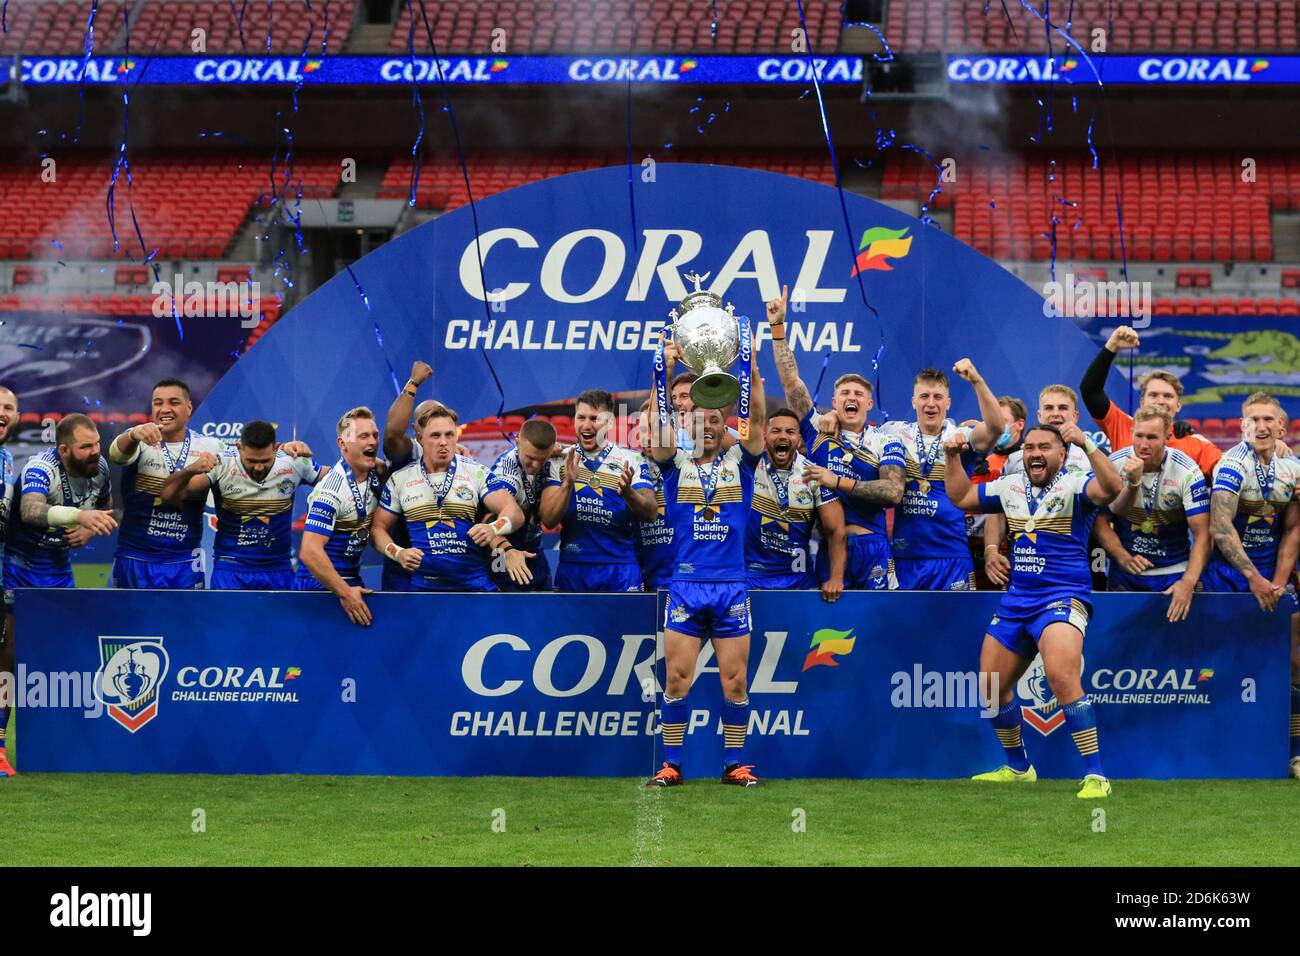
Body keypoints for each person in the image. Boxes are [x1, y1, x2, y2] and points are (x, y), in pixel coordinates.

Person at [944, 421, 1123, 799]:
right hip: (1017, 600)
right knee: (992, 687)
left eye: (1044, 447)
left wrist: (1088, 444)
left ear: (1061, 454)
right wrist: (950, 456)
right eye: (1029, 448)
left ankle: (1096, 775)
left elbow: (1113, 487)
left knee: (1061, 676)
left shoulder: (1077, 483)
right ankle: (1018, 768)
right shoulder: (1010, 486)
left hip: (1063, 596)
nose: (1035, 453)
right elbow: (960, 496)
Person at [646, 333, 767, 787]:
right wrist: (661, 368)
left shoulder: (743, 461)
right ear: (688, 425)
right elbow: (657, 432)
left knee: (734, 683)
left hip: (732, 585)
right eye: (699, 420)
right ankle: (672, 764)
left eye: (716, 419)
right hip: (687, 585)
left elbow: (756, 421)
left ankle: (734, 763)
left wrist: (752, 369)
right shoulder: (674, 463)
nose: (708, 426)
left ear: (724, 425)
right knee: (677, 679)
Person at [764, 285, 905, 590]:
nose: (851, 397)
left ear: (869, 404)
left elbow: (893, 492)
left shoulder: (886, 440)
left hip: (874, 549)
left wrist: (837, 481)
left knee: (880, 631)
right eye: (844, 393)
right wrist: (778, 328)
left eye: (858, 394)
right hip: (829, 549)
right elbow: (791, 383)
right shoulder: (816, 428)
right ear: (835, 401)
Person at [823, 362, 1005, 591]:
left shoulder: (960, 437)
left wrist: (976, 380)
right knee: (903, 626)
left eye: (938, 397)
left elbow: (996, 427)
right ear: (913, 401)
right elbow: (855, 422)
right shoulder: (892, 433)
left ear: (948, 403)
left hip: (951, 557)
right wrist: (832, 414)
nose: (931, 403)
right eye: (924, 396)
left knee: (955, 627)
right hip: (904, 557)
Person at [157, 420, 324, 590]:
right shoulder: (221, 464)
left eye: (265, 461)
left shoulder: (294, 463)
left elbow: (338, 481)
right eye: (251, 461)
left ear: (276, 448)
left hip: (278, 569)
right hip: (230, 570)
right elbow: (172, 496)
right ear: (238, 447)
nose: (258, 468)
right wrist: (190, 469)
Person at [372, 404, 516, 592]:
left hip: (474, 589)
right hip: (424, 592)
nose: (443, 442)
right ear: (420, 438)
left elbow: (514, 512)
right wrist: (398, 553)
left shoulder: (476, 471)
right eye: (435, 435)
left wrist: (493, 528)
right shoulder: (400, 479)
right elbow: (377, 529)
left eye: (449, 435)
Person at [1098, 406, 1211, 622]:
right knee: (1123, 651)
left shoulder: (1187, 472)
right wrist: (1122, 556)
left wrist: (1188, 582)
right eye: (1139, 435)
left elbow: (1204, 535)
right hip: (1126, 573)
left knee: (1173, 651)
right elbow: (1100, 520)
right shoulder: (1114, 464)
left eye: (1152, 437)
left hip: (1173, 572)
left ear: (1167, 437)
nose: (1143, 444)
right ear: (1131, 432)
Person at [108, 378, 224, 589]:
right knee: (129, 623)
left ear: (189, 408)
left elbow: (242, 462)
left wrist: (282, 450)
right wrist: (133, 434)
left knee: (184, 623)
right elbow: (116, 454)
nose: (164, 409)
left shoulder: (210, 446)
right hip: (136, 559)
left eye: (173, 402)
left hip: (184, 563)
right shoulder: (138, 440)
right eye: (158, 403)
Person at [539, 388, 657, 592]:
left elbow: (651, 512)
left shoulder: (632, 459)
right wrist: (567, 483)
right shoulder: (560, 459)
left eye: (595, 418)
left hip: (621, 569)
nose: (586, 425)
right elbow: (548, 519)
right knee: (572, 626)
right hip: (574, 568)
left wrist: (629, 492)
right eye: (581, 417)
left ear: (610, 422)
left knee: (628, 626)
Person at [984, 385, 1092, 588]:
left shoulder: (1090, 457)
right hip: (1025, 568)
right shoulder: (1016, 460)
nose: (1056, 414)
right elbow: (997, 510)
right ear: (1040, 415)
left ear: (1075, 416)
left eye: (1063, 408)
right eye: (1049, 408)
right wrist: (991, 549)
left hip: (1072, 567)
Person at [1079, 325, 1221, 479]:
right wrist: (1112, 346)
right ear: (1141, 401)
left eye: (1168, 396)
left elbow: (1227, 472)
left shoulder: (1195, 443)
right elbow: (1090, 390)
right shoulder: (1123, 425)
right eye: (1153, 395)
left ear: (1178, 405)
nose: (1160, 401)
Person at [293, 406, 386, 626]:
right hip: (320, 586)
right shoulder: (332, 489)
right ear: (342, 444)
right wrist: (344, 592)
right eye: (363, 436)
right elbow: (309, 551)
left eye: (374, 435)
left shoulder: (376, 473)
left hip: (352, 581)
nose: (372, 442)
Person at [745, 406, 846, 601]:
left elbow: (836, 531)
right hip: (751, 579)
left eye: (790, 431)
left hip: (798, 582)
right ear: (764, 436)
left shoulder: (814, 474)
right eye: (776, 431)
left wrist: (835, 578)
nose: (783, 436)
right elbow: (713, 433)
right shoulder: (748, 464)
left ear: (799, 439)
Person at [478, 418, 558, 592]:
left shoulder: (553, 455)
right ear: (517, 442)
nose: (536, 465)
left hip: (534, 550)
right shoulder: (506, 472)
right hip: (502, 552)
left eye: (542, 459)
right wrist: (507, 550)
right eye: (530, 458)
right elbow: (486, 521)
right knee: (506, 615)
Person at [380, 360, 439, 593]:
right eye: (427, 420)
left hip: (448, 568)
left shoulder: (462, 461)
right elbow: (393, 434)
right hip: (403, 565)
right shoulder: (409, 451)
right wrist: (413, 383)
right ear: (416, 430)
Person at [635, 400, 676, 592]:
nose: (649, 437)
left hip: (684, 578)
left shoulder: (690, 463)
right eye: (644, 430)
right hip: (644, 578)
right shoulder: (626, 464)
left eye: (655, 429)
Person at [0, 386, 16, 777]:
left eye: (9, 408)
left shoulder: (6, 461)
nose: (3, 413)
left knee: (5, 664)